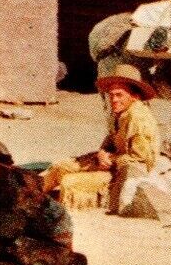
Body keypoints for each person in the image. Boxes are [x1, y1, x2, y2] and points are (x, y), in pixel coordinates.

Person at [42, 64, 162, 210]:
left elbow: (141, 161)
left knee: (68, 182)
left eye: (119, 95)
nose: (114, 100)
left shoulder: (139, 119)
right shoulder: (120, 113)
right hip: (112, 163)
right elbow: (110, 141)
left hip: (124, 175)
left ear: (134, 96)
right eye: (111, 95)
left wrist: (111, 160)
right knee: (60, 167)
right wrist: (102, 152)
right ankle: (27, 195)